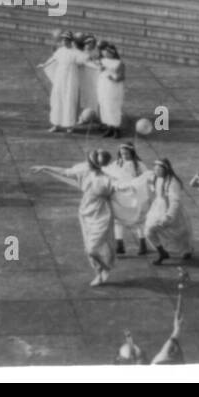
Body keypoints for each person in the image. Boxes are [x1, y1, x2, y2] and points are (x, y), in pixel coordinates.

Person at [33, 150, 119, 287]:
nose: (88, 164)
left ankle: (107, 266)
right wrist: (45, 167)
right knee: (88, 249)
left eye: (91, 163)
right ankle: (99, 271)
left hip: (103, 213)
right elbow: (65, 172)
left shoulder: (108, 180)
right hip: (86, 211)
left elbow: (122, 190)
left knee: (92, 249)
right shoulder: (85, 172)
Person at [143, 158, 193, 265]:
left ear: (165, 169)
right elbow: (153, 186)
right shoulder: (156, 178)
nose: (156, 171)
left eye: (159, 169)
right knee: (148, 230)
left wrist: (169, 215)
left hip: (170, 209)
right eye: (155, 169)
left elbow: (175, 201)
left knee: (178, 232)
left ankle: (187, 249)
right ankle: (162, 252)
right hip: (157, 208)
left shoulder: (172, 182)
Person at [38, 32, 86, 133]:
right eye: (63, 40)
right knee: (57, 98)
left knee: (69, 99)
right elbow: (53, 59)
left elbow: (84, 61)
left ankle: (69, 125)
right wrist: (44, 64)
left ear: (70, 41)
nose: (64, 42)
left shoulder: (75, 52)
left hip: (71, 77)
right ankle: (56, 123)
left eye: (66, 40)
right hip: (60, 77)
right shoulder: (60, 51)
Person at [108, 143, 150, 257]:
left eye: (126, 153)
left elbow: (146, 177)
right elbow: (110, 175)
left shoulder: (139, 165)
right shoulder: (116, 164)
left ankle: (142, 243)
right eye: (122, 153)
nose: (124, 155)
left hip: (134, 195)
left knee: (139, 220)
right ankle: (119, 244)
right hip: (120, 195)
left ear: (131, 153)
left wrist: (136, 183)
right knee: (118, 220)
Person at [92, 43, 126, 139]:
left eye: (108, 52)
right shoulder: (102, 61)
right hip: (103, 86)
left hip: (113, 87)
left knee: (113, 107)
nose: (106, 53)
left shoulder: (119, 63)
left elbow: (122, 76)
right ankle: (109, 127)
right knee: (104, 106)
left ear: (113, 53)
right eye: (105, 52)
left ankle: (116, 128)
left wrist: (114, 78)